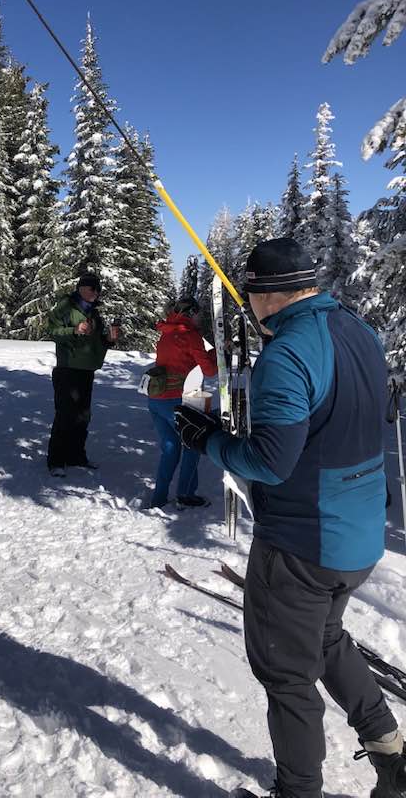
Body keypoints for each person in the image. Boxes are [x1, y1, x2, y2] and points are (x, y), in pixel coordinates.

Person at [174, 238, 405, 798]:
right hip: (359, 532)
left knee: (286, 674)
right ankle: (392, 755)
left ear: (264, 294)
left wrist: (208, 442)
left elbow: (271, 463)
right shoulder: (359, 330)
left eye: (250, 294)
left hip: (304, 542)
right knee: (325, 639)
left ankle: (297, 792)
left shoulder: (288, 353)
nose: (249, 306)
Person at [144, 297, 218, 509]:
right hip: (178, 398)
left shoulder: (166, 331)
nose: (200, 317)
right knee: (192, 444)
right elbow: (209, 370)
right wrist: (219, 355)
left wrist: (212, 352)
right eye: (198, 313)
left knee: (170, 447)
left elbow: (192, 356)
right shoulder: (191, 334)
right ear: (191, 313)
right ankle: (185, 494)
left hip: (156, 399)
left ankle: (158, 498)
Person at [46, 273, 119, 477]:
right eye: (92, 289)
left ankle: (77, 456)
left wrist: (110, 339)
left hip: (87, 369)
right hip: (68, 369)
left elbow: (96, 343)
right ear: (81, 288)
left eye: (98, 290)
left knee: (83, 416)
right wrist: (74, 330)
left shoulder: (94, 314)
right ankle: (56, 461)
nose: (96, 293)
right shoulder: (66, 306)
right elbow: (51, 330)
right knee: (65, 415)